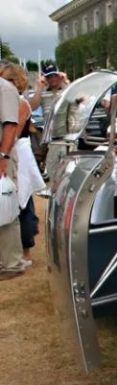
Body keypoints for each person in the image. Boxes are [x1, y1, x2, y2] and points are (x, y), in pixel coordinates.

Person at [1, 64, 45, 263]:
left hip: (18, 152)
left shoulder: (18, 103)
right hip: (14, 151)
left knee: (22, 201)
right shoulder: (17, 101)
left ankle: (25, 250)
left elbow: (14, 132)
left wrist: (4, 153)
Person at [0, 62, 25, 278]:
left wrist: (3, 157)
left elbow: (10, 125)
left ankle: (12, 263)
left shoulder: (5, 89)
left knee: (5, 207)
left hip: (2, 155)